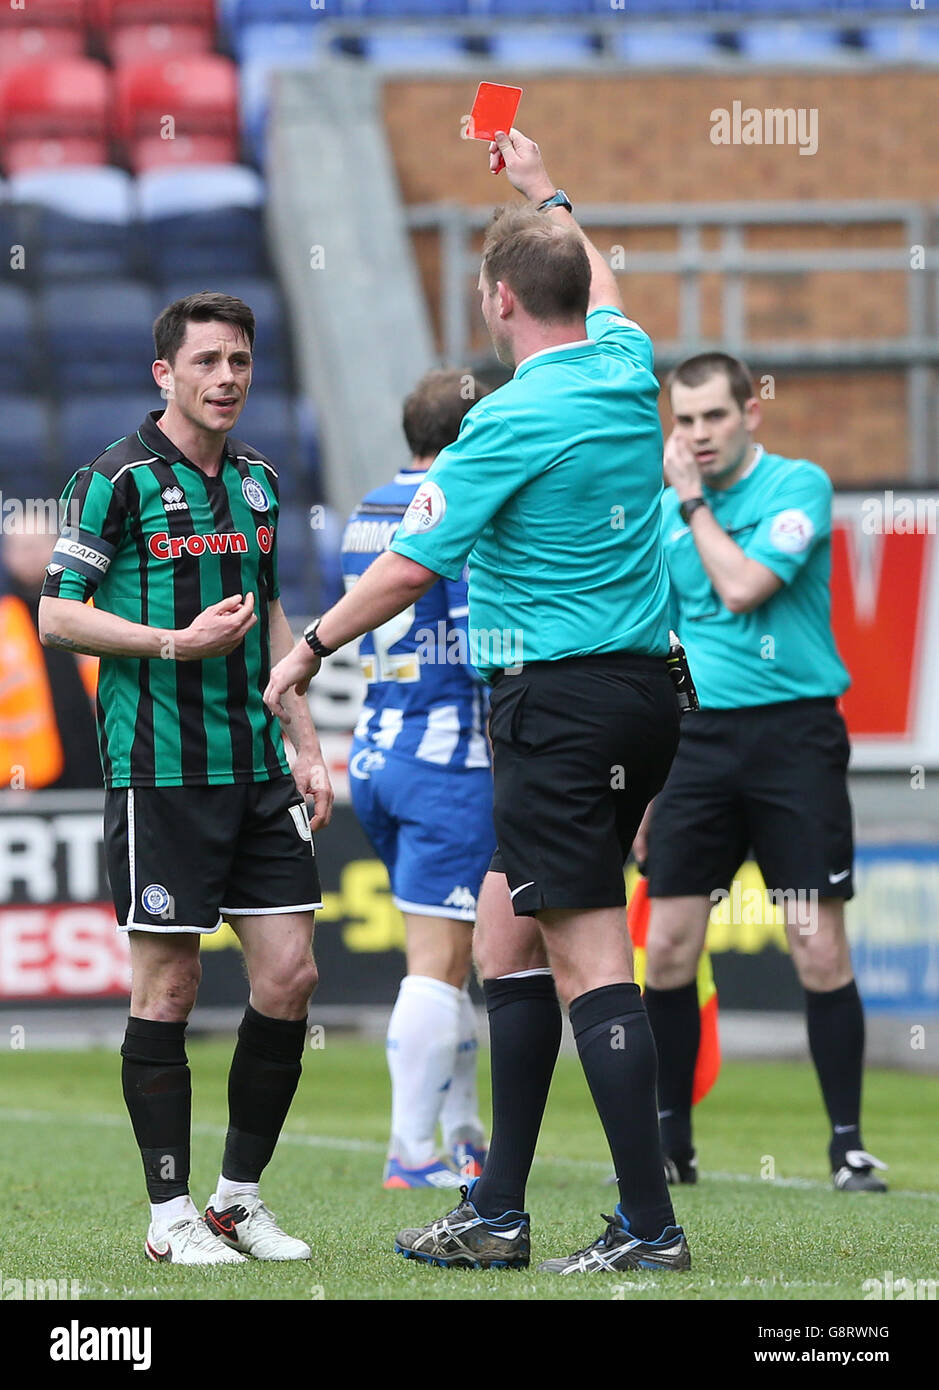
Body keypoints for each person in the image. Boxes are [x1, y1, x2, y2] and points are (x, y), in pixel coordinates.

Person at [266, 128, 691, 1275]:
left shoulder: (500, 424)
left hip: (557, 704)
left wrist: (308, 643)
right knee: (503, 932)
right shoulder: (624, 366)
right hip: (646, 693)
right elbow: (598, 283)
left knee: (590, 957)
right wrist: (547, 188)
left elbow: (408, 568)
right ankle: (496, 1208)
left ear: (499, 299)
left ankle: (650, 1225)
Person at [38, 290, 334, 1265]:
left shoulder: (258, 482)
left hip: (255, 765)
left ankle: (236, 1201)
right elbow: (58, 616)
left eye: (240, 361)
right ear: (164, 374)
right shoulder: (112, 481)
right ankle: (167, 1217)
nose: (226, 378)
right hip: (158, 770)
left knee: (290, 974)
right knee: (168, 986)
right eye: (206, 361)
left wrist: (305, 737)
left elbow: (276, 617)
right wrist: (173, 641)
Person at [637, 352, 887, 1194]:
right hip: (697, 745)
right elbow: (668, 638)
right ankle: (672, 1145)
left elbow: (742, 587)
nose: (697, 434)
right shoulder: (661, 509)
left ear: (752, 414)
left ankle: (847, 1147)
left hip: (792, 740)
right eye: (684, 419)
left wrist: (692, 504)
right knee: (666, 947)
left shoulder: (795, 486)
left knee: (815, 946)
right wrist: (665, 742)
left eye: (713, 416)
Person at [341, 368, 495, 1190]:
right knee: (438, 965)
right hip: (449, 763)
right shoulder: (462, 503)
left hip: (377, 752)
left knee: (451, 955)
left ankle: (464, 1134)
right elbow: (481, 648)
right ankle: (412, 1153)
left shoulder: (367, 507)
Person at [0, 517, 100, 790]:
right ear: (7, 556)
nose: (28, 555)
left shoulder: (90, 610)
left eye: (35, 545)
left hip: (102, 764)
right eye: (19, 547)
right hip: (34, 780)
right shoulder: (3, 624)